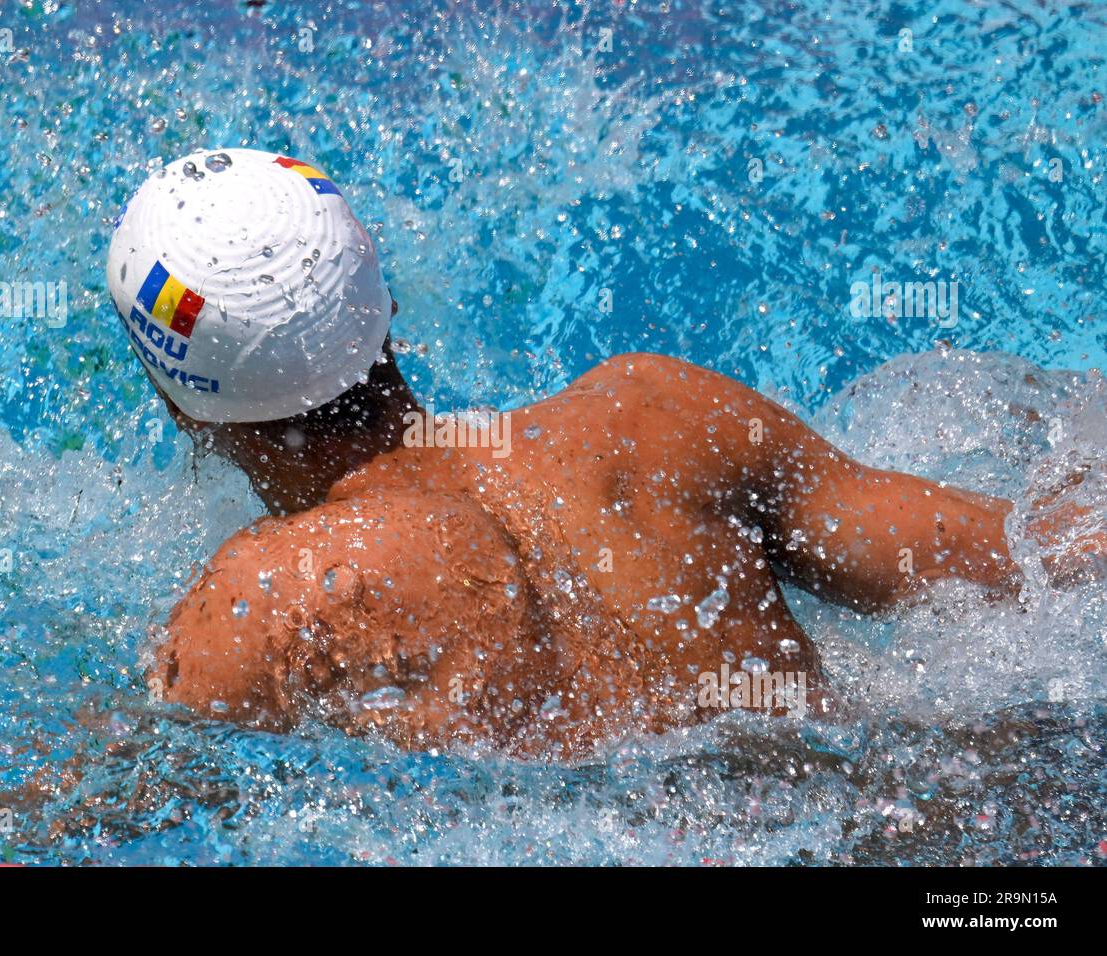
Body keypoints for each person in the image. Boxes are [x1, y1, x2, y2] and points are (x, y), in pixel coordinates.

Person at [107, 149, 1103, 760]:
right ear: (383, 304)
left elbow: (111, 800)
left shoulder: (266, 600)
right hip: (928, 799)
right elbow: (1034, 560)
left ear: (183, 404)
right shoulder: (655, 412)